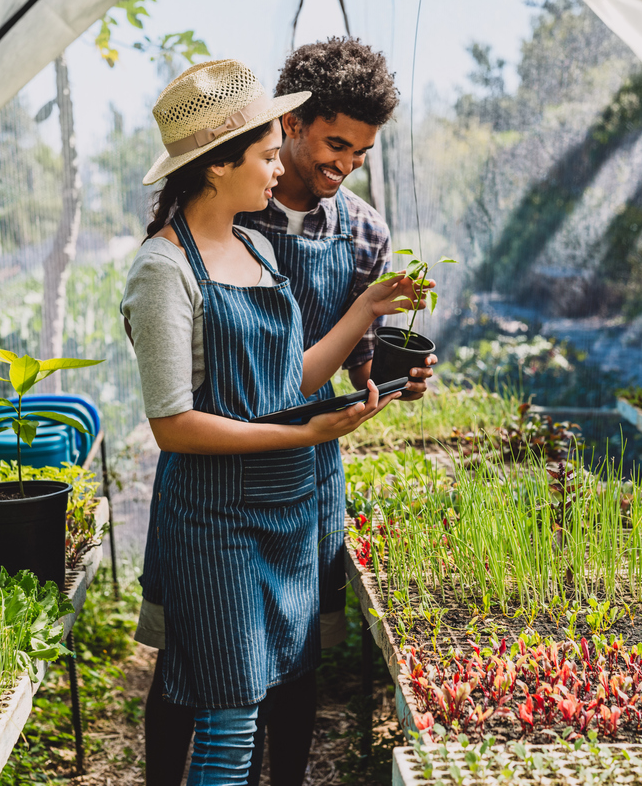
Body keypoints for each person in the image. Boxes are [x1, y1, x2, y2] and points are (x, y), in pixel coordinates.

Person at [140, 39, 433, 786]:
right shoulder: (195, 249)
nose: (343, 165)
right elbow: (175, 416)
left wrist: (381, 345)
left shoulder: (306, 244)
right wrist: (296, 427)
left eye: (362, 153)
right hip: (218, 501)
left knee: (282, 670)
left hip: (294, 486)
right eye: (330, 143)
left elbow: (300, 371)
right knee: (215, 692)